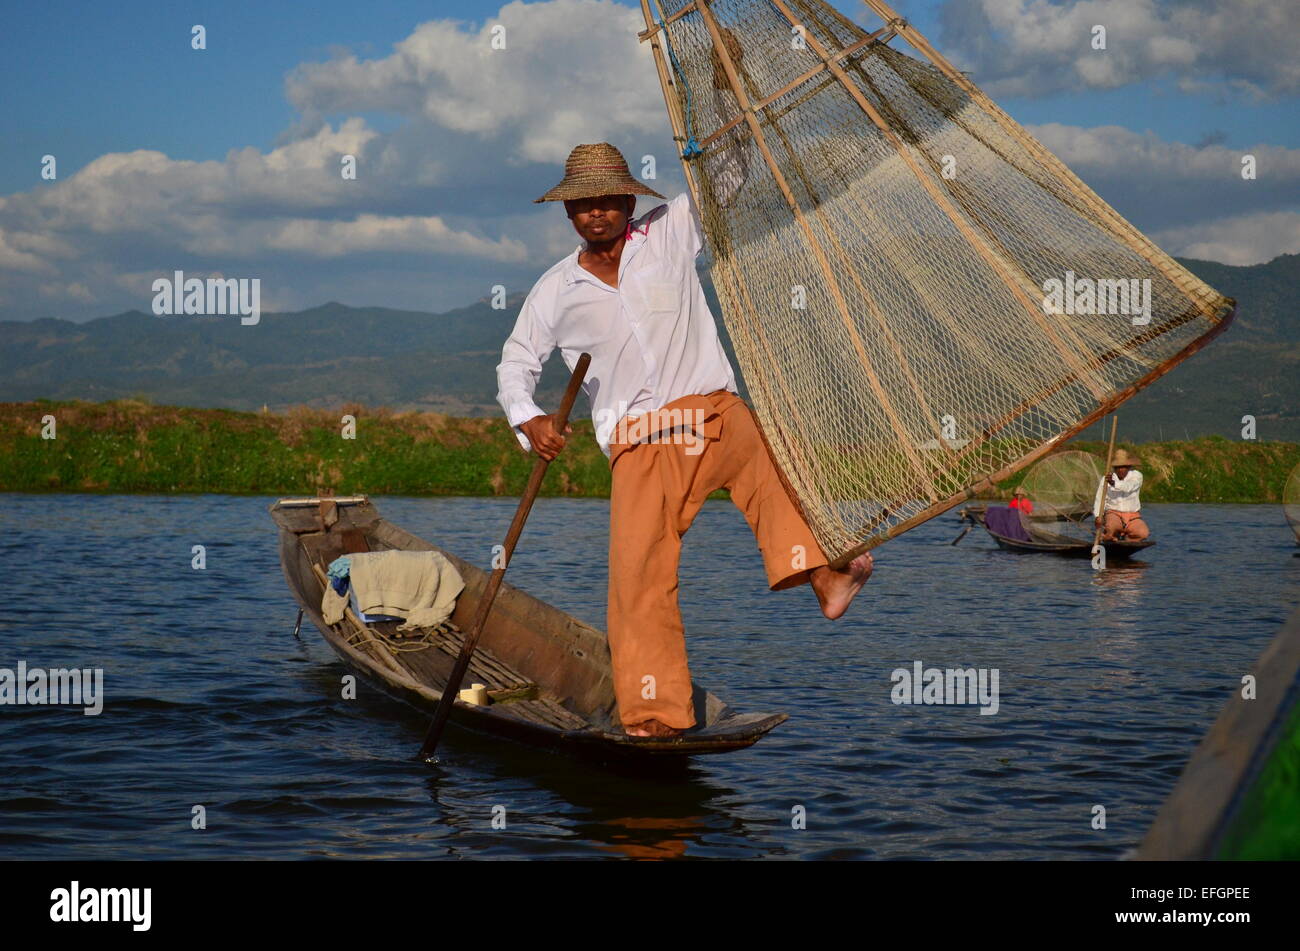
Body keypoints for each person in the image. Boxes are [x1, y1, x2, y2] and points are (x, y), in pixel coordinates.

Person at [496, 143, 874, 738]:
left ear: (627, 201)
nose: (594, 213)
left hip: (712, 414)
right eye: (580, 205)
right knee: (640, 580)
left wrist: (725, 91)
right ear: (568, 214)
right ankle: (654, 715)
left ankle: (825, 573)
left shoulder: (669, 231)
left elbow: (724, 176)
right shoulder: (555, 290)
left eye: (605, 201)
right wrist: (530, 418)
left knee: (773, 473)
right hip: (641, 443)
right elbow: (515, 362)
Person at [1093, 449, 1149, 542]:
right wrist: (1098, 516)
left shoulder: (1136, 476)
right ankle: (1110, 536)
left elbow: (1129, 487)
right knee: (1111, 528)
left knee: (1143, 533)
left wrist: (1113, 483)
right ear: (1114, 468)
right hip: (1113, 513)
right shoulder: (1106, 478)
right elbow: (1099, 498)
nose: (1120, 470)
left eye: (1123, 467)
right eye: (1117, 467)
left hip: (1132, 516)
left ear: (1128, 467)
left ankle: (1126, 540)